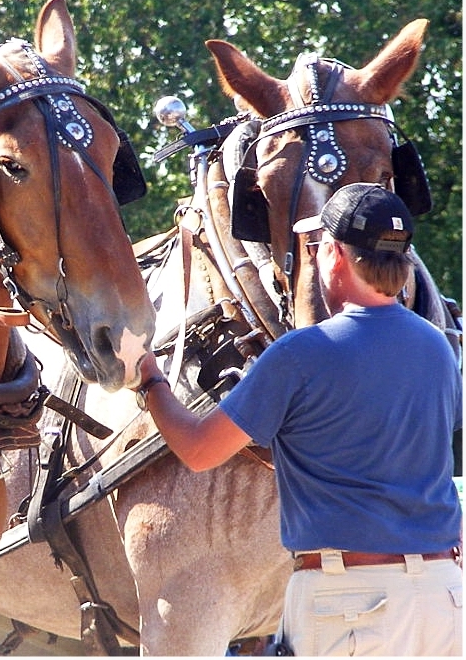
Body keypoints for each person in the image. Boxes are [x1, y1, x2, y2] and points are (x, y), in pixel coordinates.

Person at [135, 183, 462, 656]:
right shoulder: (437, 347)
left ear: (332, 254)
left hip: (350, 600)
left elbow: (199, 450)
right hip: (443, 593)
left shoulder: (302, 355)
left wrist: (148, 378)